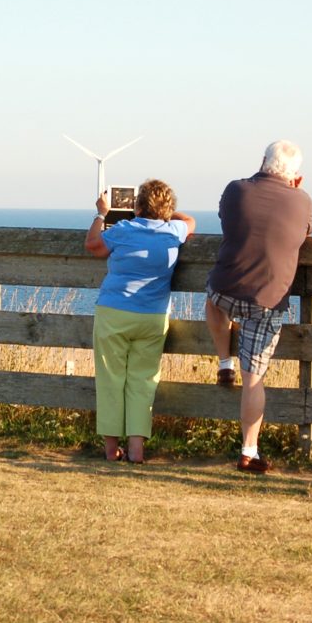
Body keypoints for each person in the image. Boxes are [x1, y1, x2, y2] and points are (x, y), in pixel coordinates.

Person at [204, 140, 312, 474]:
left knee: (212, 297)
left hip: (226, 287)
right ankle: (248, 452)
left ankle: (224, 361)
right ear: (296, 176)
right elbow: (305, 234)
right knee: (253, 378)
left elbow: (227, 218)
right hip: (266, 301)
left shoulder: (235, 189)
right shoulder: (302, 201)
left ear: (263, 163)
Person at [85, 179, 196, 463]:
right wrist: (168, 216)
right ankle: (136, 451)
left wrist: (101, 213)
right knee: (142, 381)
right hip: (153, 317)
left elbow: (93, 246)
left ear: (137, 206)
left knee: (111, 379)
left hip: (114, 312)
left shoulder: (122, 229)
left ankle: (111, 451)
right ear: (167, 207)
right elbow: (190, 221)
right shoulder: (173, 231)